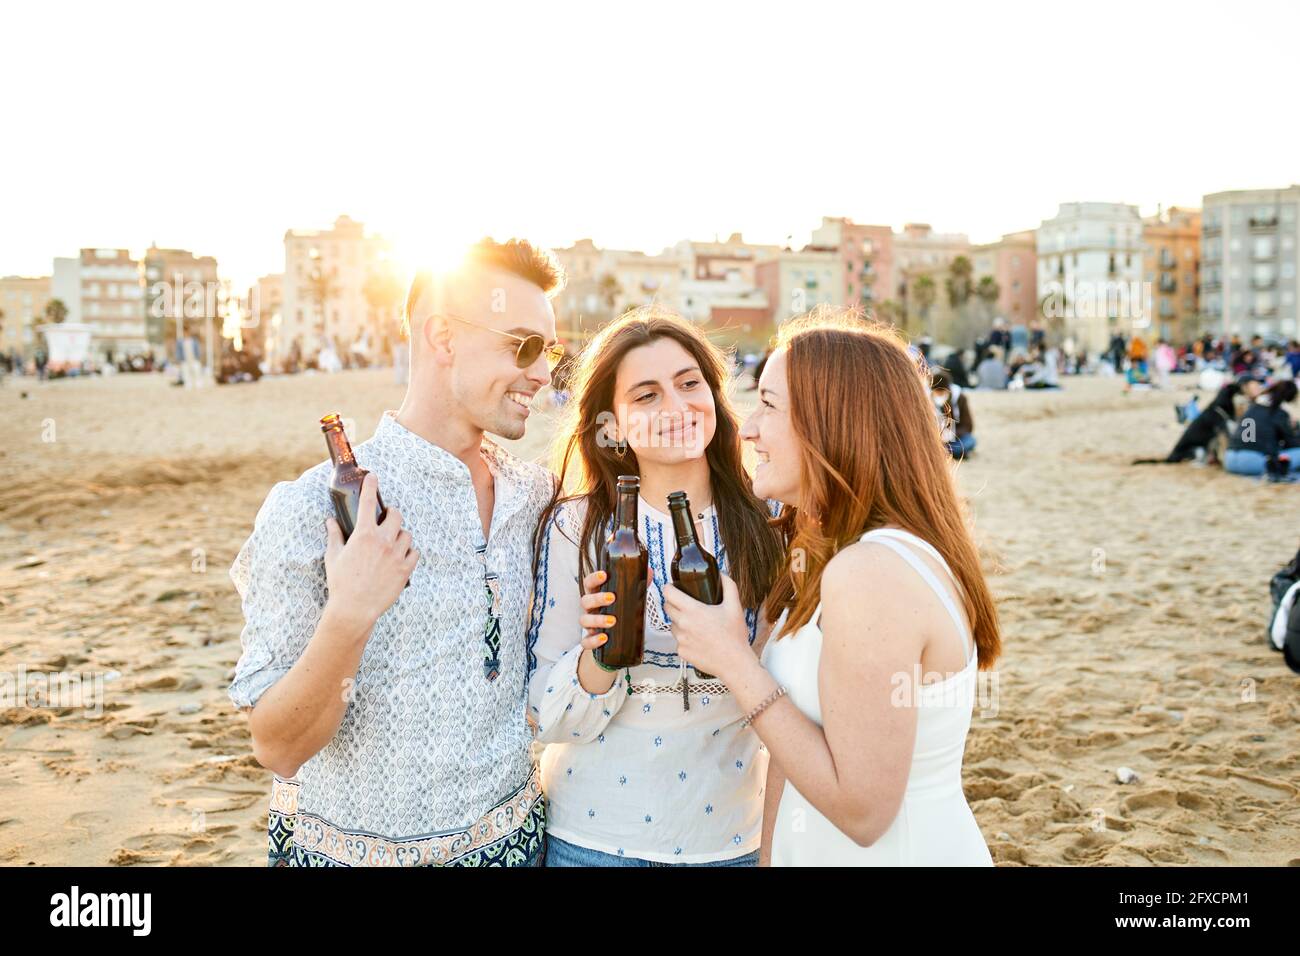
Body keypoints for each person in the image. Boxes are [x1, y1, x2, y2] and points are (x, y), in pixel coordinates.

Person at [228, 238, 565, 866]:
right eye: (522, 346)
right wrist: (351, 612)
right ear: (443, 338)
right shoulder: (310, 509)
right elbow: (277, 747)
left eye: (548, 350)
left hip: (519, 848)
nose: (543, 372)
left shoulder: (537, 498)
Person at [661, 307, 1001, 865]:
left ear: (832, 425)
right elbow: (790, 760)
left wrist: (733, 660)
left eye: (768, 405)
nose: (745, 427)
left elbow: (864, 811)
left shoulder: (871, 573)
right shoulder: (833, 551)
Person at [528, 306, 785, 866]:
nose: (676, 406)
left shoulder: (771, 522)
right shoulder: (578, 528)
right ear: (611, 424)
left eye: (689, 383)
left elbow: (788, 695)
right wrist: (600, 657)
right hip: (593, 841)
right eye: (646, 395)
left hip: (729, 839)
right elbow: (545, 716)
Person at [1224, 379, 1300, 478]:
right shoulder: (1279, 413)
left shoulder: (1252, 407)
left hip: (1229, 459)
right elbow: (1292, 442)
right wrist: (1295, 428)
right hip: (1252, 462)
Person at [931, 370, 975, 459]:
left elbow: (968, 425)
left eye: (942, 392)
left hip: (956, 439)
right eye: (937, 392)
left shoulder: (960, 398)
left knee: (970, 441)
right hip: (934, 440)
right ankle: (947, 452)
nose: (939, 395)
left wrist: (951, 434)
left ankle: (945, 452)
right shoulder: (927, 398)